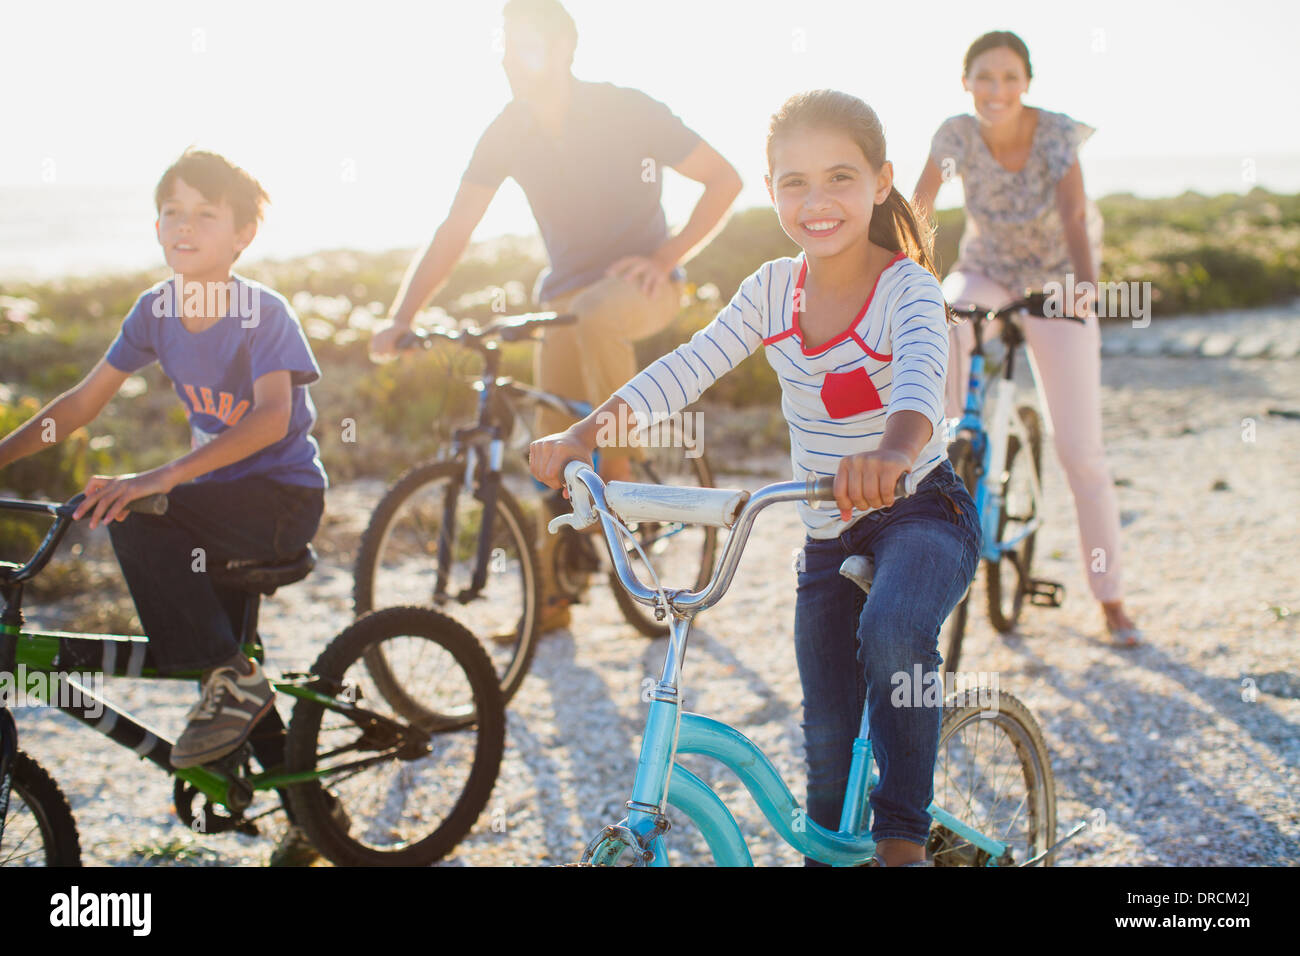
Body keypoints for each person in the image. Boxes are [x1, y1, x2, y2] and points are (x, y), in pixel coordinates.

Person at [530, 90, 981, 867]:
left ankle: (905, 839)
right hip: (822, 530)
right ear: (772, 191)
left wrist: (893, 456)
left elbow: (916, 392)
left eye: (840, 177)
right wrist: (583, 434)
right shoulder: (772, 290)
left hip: (920, 511)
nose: (816, 202)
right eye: (793, 183)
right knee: (828, 747)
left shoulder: (906, 287)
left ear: (881, 182)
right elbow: (684, 369)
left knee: (894, 629)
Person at [368, 0, 742, 633]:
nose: (514, 57)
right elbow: (456, 227)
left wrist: (665, 255)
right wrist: (402, 315)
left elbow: (724, 180)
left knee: (597, 314)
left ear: (566, 46)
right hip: (564, 299)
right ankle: (553, 599)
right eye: (507, 45)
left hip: (643, 288)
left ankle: (621, 488)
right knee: (549, 440)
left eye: (529, 43)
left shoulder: (625, 107)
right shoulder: (510, 128)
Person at [0, 148, 328, 772]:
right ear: (155, 228)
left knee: (136, 511)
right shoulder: (155, 310)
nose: (184, 225)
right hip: (216, 504)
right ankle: (310, 809)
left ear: (242, 235)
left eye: (206, 214)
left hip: (280, 501)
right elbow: (78, 406)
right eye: (171, 211)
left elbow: (271, 418)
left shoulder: (262, 312)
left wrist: (160, 477)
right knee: (224, 671)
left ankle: (230, 679)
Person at [911, 30, 1141, 647]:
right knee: (942, 310)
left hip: (1057, 279)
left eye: (1010, 78)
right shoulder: (957, 134)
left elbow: (1072, 214)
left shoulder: (1056, 133)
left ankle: (1111, 599)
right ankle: (963, 434)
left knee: (1081, 452)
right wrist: (904, 271)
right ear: (966, 82)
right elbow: (922, 205)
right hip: (985, 269)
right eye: (985, 77)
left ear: (1027, 83)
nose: (997, 90)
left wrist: (1086, 288)